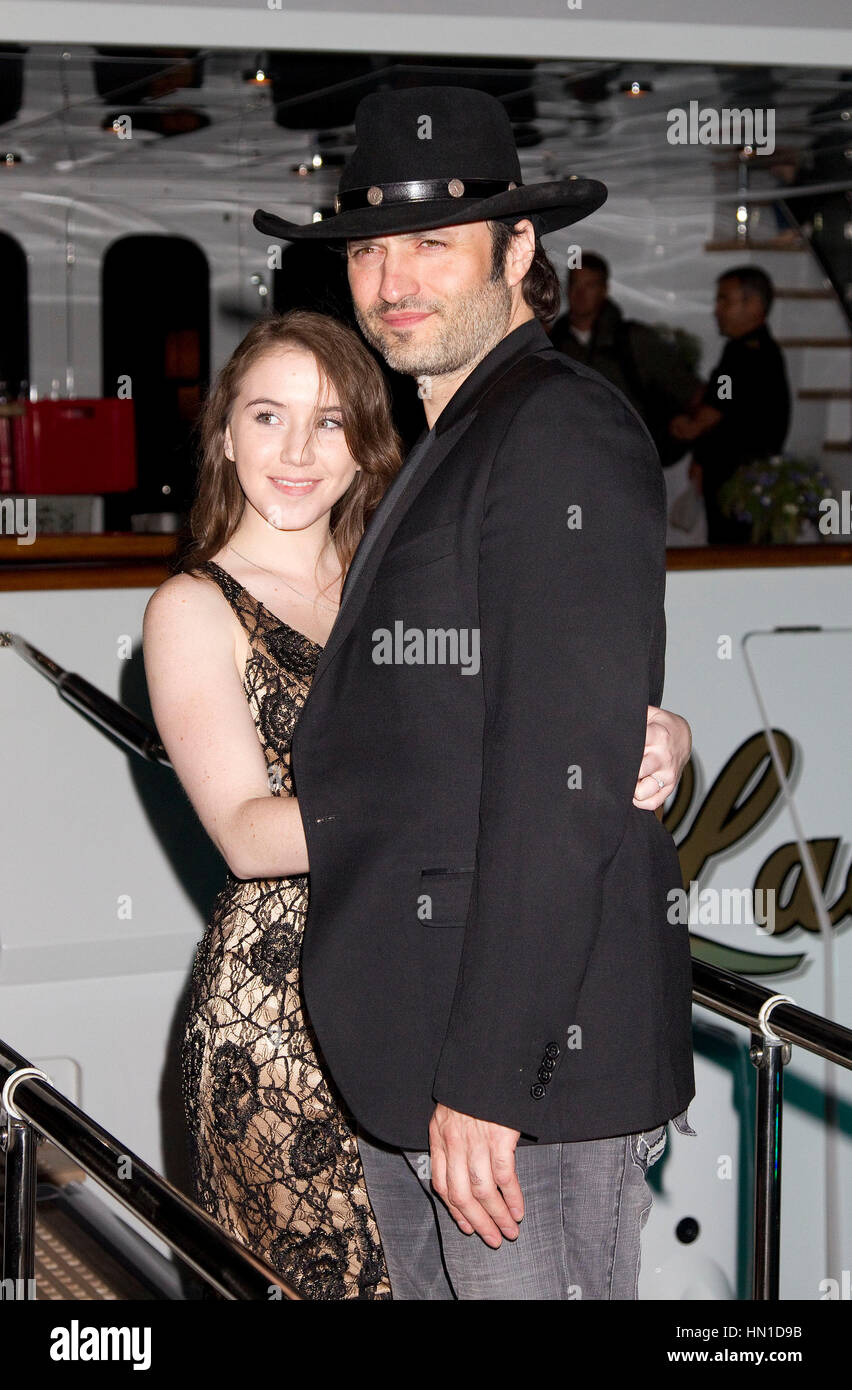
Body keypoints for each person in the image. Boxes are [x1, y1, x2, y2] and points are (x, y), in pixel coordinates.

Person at [142, 308, 692, 1301]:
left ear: (368, 438)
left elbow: (544, 695)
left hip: (428, 998)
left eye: (330, 421)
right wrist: (484, 796)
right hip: (281, 1023)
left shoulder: (395, 571)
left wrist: (660, 734)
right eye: (268, 417)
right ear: (223, 432)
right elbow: (246, 833)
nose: (298, 451)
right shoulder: (193, 606)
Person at [252, 85, 696, 1301]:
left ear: (517, 251)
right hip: (429, 1051)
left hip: (522, 1074)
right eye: (370, 246)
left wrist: (491, 1079)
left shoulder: (557, 432)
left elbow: (554, 791)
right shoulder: (450, 440)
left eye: (432, 242)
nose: (393, 275)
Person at [670, 266, 791, 543]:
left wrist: (684, 426)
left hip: (738, 488)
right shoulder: (759, 350)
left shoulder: (743, 354)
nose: (717, 309)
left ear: (753, 305)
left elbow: (716, 408)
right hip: (747, 486)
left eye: (725, 300)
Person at [551, 252, 701, 466]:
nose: (580, 293)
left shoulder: (633, 339)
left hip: (629, 460)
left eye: (590, 285)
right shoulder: (553, 344)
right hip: (570, 460)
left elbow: (690, 390)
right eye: (575, 284)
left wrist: (701, 453)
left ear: (604, 291)